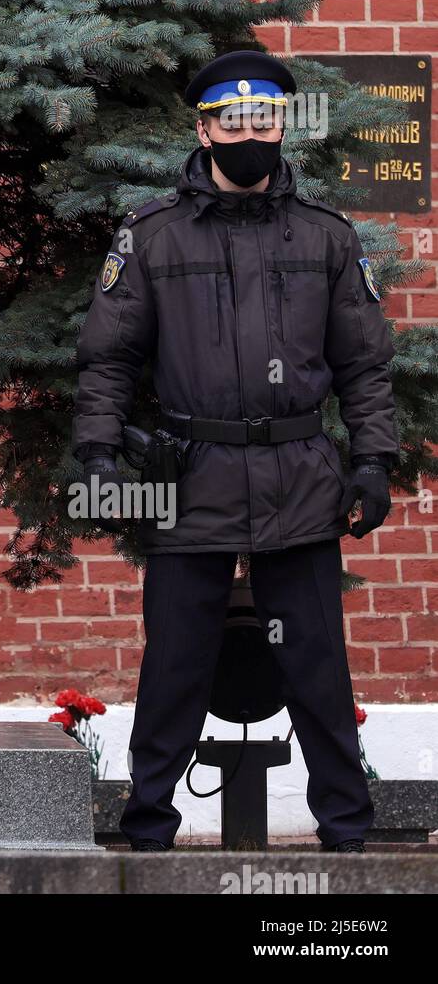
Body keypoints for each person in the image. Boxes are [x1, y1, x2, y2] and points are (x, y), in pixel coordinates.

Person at [71, 50, 397, 852]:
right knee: (177, 664)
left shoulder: (325, 236)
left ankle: (348, 836)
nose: (250, 134)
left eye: (266, 120)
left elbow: (364, 361)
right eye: (232, 121)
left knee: (317, 665)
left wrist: (373, 461)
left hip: (300, 473)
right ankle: (149, 833)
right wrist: (100, 454)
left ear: (283, 127)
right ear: (203, 128)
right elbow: (109, 357)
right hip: (192, 474)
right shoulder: (152, 236)